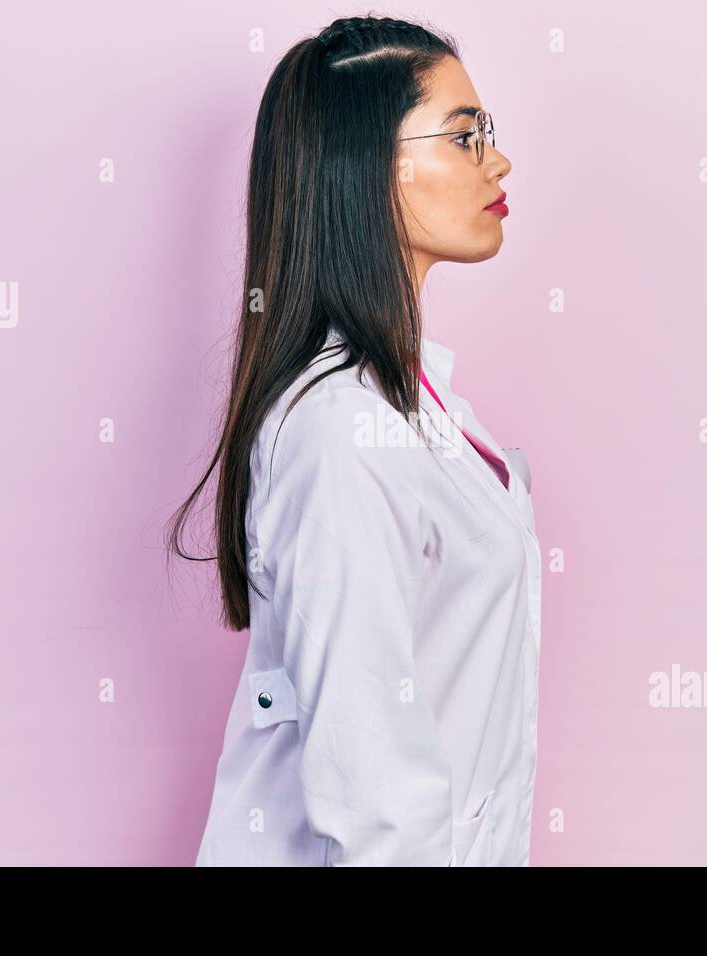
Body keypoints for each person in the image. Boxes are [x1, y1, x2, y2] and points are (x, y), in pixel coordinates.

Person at [168, 14, 540, 866]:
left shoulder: (410, 403)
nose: (498, 159)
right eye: (464, 134)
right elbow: (375, 804)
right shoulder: (340, 430)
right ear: (371, 166)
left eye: (489, 132)